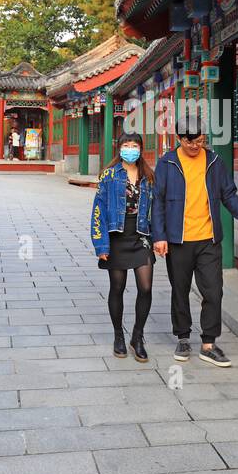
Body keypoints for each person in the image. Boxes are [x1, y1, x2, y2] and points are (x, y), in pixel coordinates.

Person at [152, 112, 238, 367]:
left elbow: (229, 194)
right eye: (189, 142)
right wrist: (159, 236)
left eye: (199, 141)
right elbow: (157, 201)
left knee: (213, 291)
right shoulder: (167, 163)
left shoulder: (214, 162)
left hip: (208, 239)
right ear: (179, 138)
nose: (194, 146)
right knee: (180, 291)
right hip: (178, 240)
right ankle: (182, 337)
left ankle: (209, 343)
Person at [91, 133, 155, 362]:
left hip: (141, 236)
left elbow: (155, 209)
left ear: (141, 149)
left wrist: (159, 237)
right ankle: (119, 335)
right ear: (119, 149)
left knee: (145, 287)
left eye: (134, 145)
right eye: (126, 145)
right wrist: (101, 244)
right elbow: (98, 211)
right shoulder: (108, 175)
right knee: (117, 287)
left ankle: (138, 336)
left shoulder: (149, 176)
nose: (130, 149)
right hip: (116, 236)